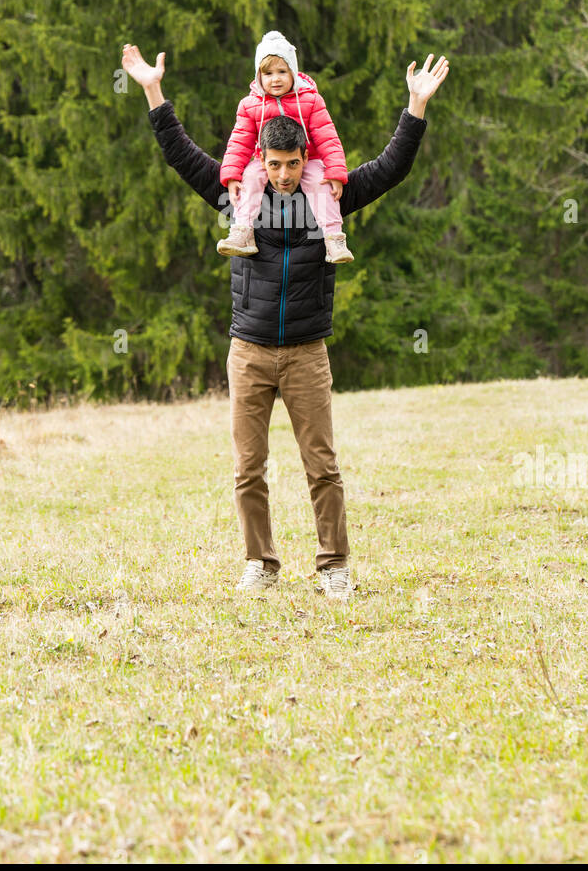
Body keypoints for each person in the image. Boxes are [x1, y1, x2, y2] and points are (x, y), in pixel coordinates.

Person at [121, 41, 449, 601]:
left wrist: (415, 107)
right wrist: (153, 90)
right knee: (249, 469)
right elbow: (182, 154)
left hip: (306, 352)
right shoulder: (238, 200)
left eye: (293, 164)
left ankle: (334, 566)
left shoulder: (330, 196)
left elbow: (392, 166)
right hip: (247, 349)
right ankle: (260, 563)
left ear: (306, 160)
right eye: (273, 166)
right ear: (260, 164)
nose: (283, 175)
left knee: (321, 466)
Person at [218, 29, 354, 264]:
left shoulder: (310, 100)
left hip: (307, 159)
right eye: (268, 73)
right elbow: (239, 140)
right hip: (266, 160)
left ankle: (334, 238)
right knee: (249, 177)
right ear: (258, 76)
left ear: (294, 73)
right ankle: (242, 232)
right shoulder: (250, 105)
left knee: (320, 183)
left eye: (282, 71)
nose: (276, 79)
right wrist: (231, 174)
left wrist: (335, 172)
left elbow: (327, 137)